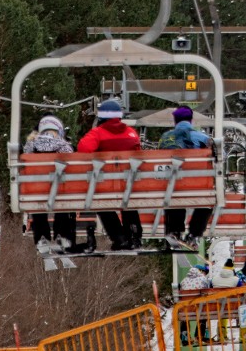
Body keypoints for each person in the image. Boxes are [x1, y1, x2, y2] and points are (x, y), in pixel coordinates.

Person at [77, 99, 143, 250]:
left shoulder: (98, 133)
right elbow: (138, 153)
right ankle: (134, 236)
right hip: (129, 182)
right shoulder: (131, 133)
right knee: (129, 202)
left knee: (100, 203)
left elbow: (83, 149)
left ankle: (119, 238)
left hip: (105, 183)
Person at [158, 105, 213, 242]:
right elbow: (219, 153)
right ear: (191, 120)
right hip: (196, 185)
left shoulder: (165, 138)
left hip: (170, 185)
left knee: (174, 190)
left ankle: (174, 230)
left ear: (175, 121)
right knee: (208, 199)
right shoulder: (200, 137)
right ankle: (194, 233)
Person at [23, 114, 77, 250]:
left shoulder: (30, 146)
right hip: (60, 188)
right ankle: (62, 235)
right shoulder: (64, 146)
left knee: (38, 209)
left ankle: (42, 238)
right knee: (63, 206)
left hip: (37, 188)